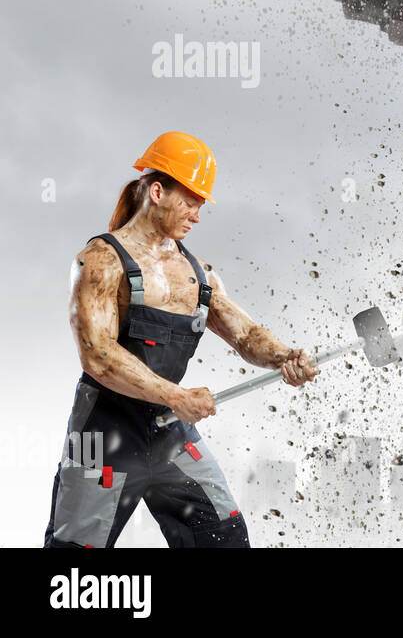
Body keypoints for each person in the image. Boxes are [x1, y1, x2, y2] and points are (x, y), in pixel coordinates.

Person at [44, 131, 319, 548]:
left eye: (201, 205)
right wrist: (176, 395)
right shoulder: (101, 260)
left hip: (170, 432)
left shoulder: (198, 274)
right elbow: (97, 355)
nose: (196, 215)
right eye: (190, 201)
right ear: (157, 191)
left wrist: (285, 356)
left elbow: (245, 334)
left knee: (224, 537)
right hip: (104, 432)